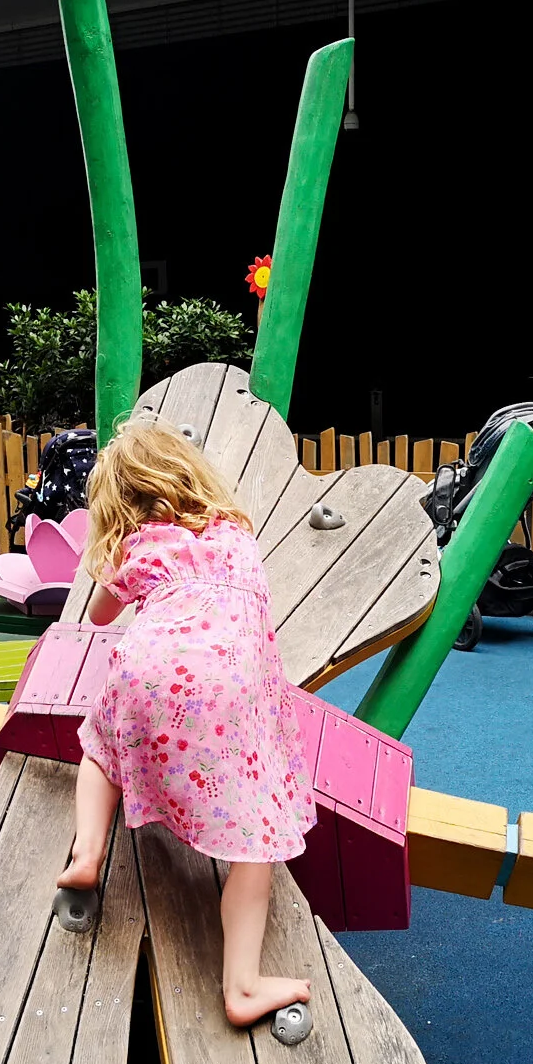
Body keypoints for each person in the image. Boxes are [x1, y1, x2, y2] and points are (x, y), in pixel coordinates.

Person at [56, 420, 315, 1028]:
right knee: (256, 840)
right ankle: (243, 985)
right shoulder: (236, 537)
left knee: (100, 748)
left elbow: (97, 617)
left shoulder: (139, 545)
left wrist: (116, 555)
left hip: (147, 672)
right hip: (227, 686)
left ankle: (88, 853)